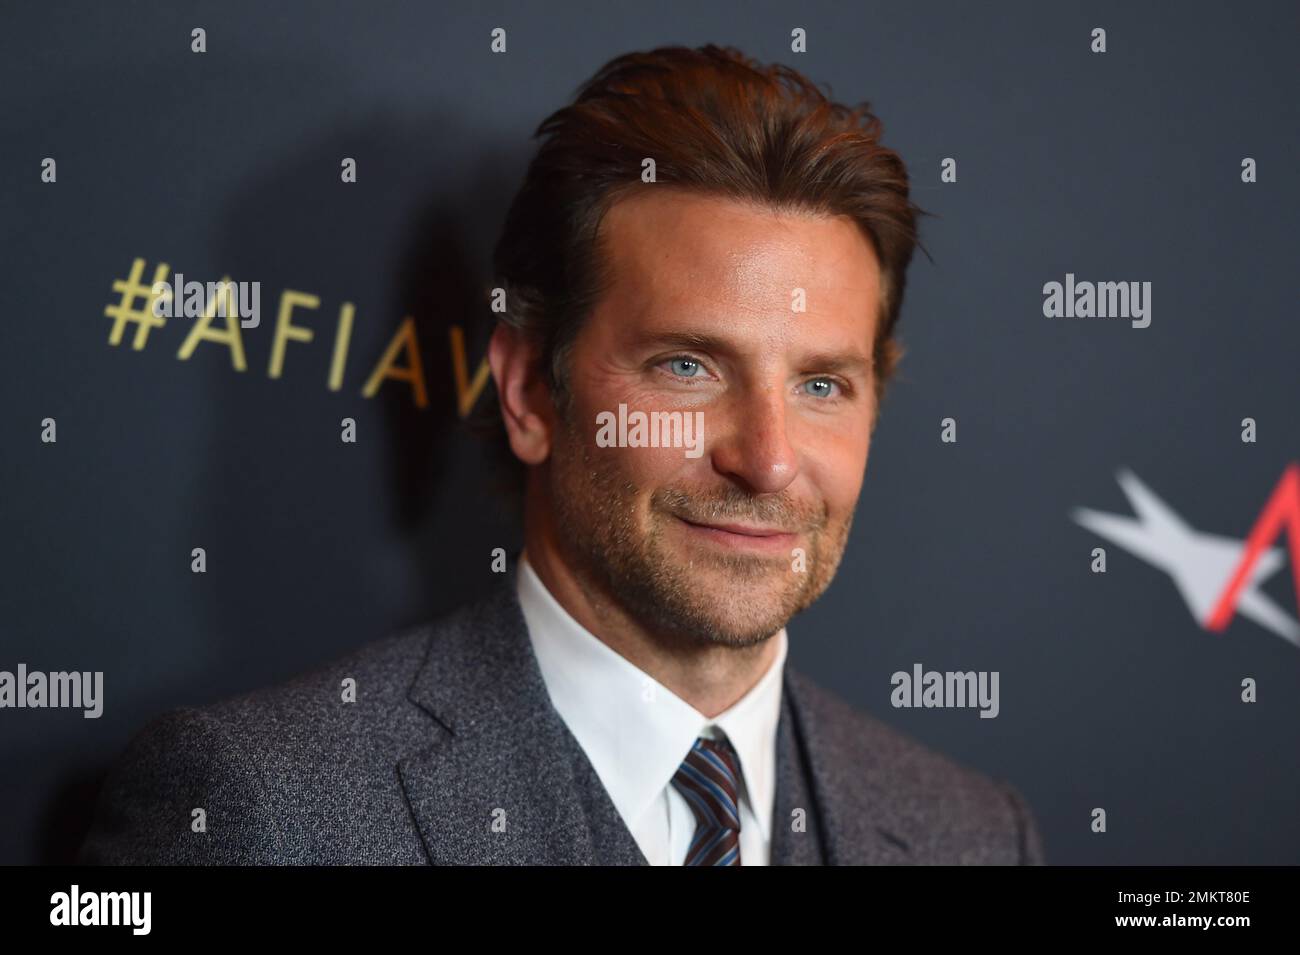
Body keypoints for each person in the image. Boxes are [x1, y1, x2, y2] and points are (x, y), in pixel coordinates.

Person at [78, 44, 1044, 866]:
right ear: (532, 392)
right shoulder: (254, 814)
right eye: (687, 366)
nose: (770, 458)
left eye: (822, 384)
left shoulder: (974, 833)